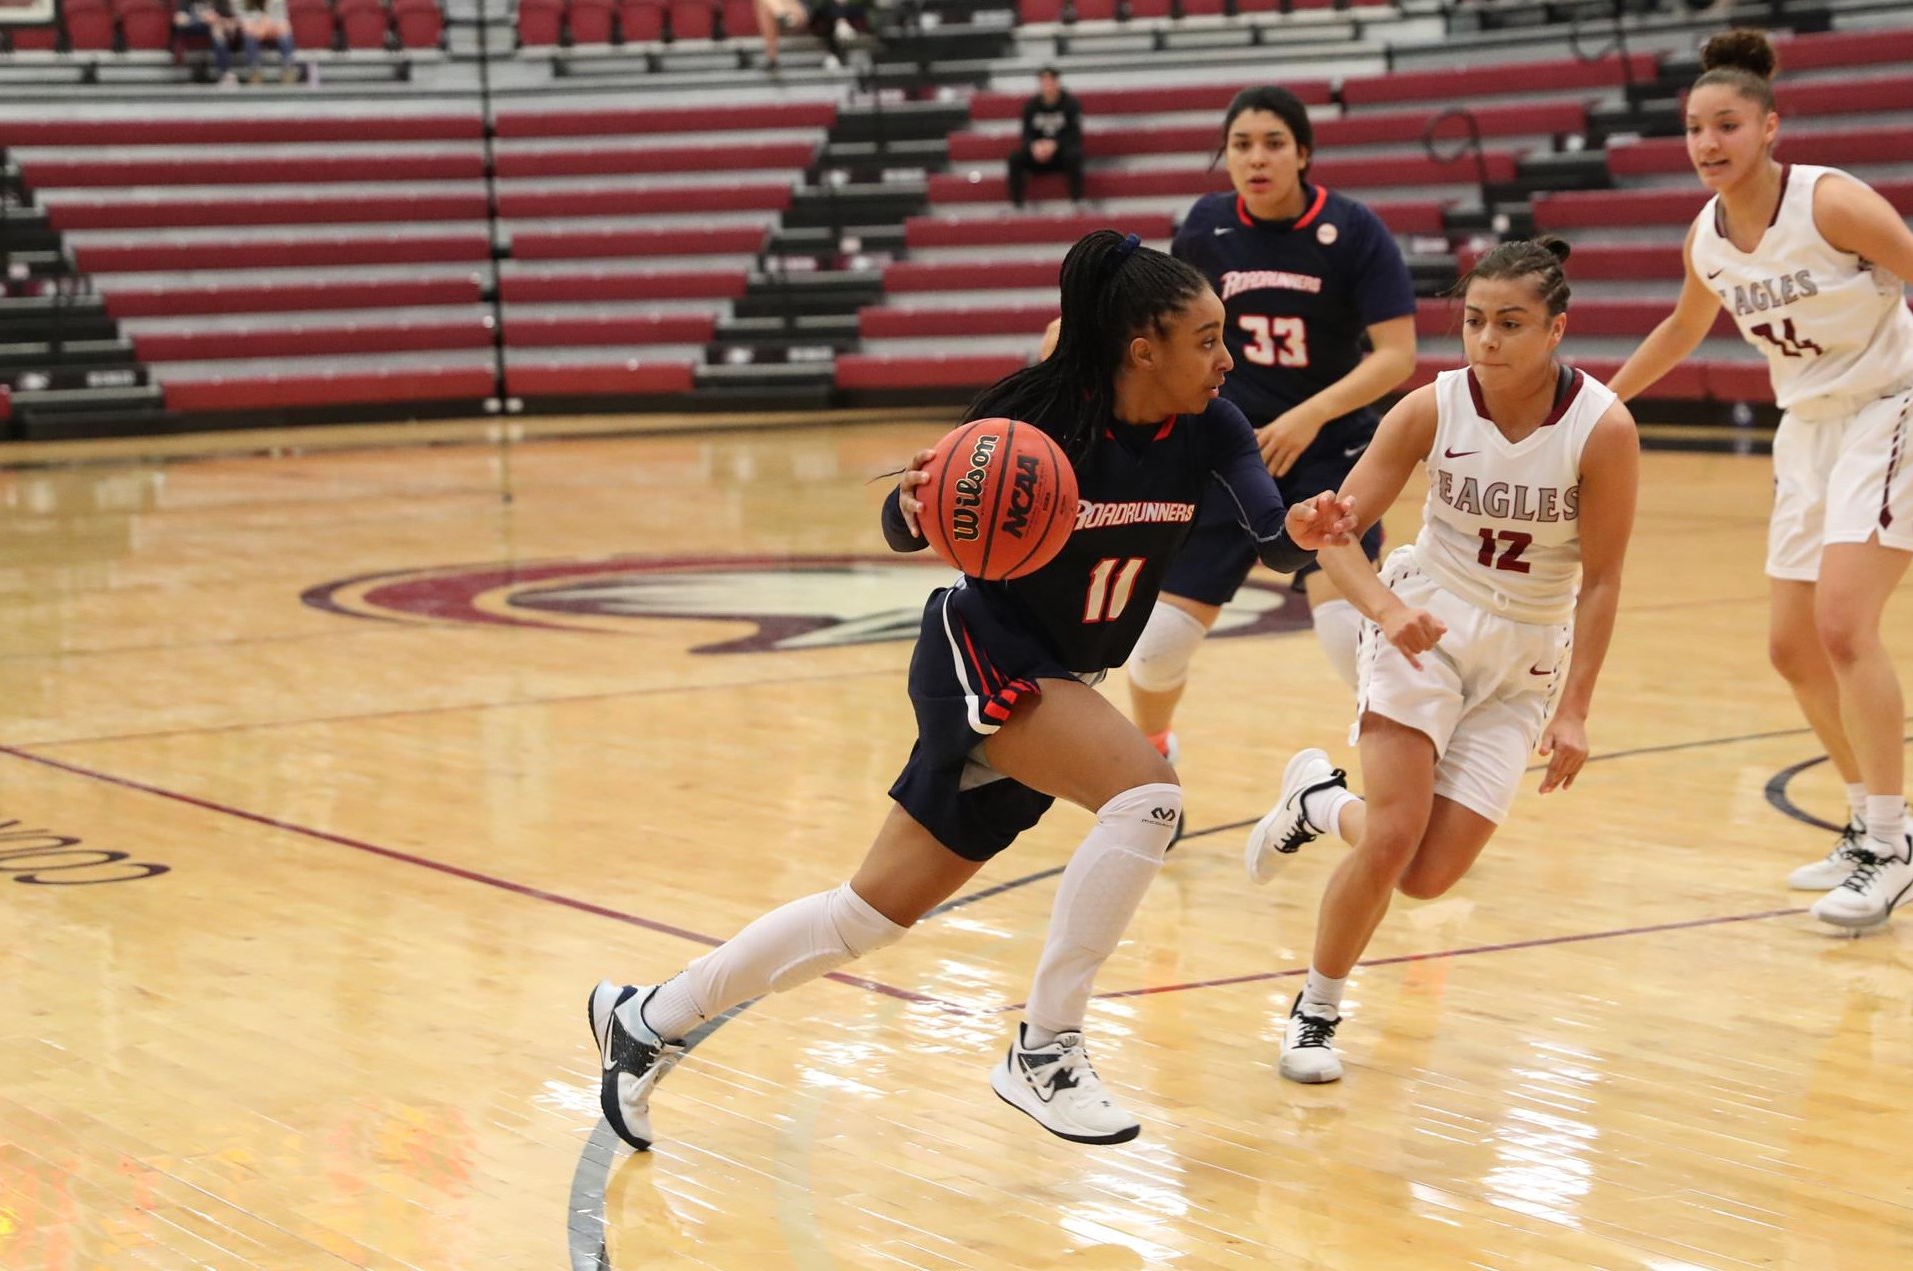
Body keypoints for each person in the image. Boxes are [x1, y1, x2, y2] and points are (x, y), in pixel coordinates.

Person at [589, 230, 1352, 1150]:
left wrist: (1304, 525)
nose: (1226, 358)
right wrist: (912, 506)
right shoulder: (1040, 418)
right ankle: (1045, 1048)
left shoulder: (1212, 426)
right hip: (983, 653)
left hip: (1061, 676)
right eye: (1206, 339)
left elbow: (1270, 537)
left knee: (866, 915)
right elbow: (907, 515)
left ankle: (646, 1017)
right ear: (1142, 348)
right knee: (1148, 796)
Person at [1604, 30, 1913, 930]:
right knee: (1791, 648)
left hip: (1895, 407)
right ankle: (1869, 820)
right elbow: (1682, 328)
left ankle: (1892, 851)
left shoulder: (1830, 203)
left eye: (1727, 124)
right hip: (1809, 430)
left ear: (1769, 127)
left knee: (1842, 626)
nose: (1707, 142)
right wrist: (1597, 404)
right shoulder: (1707, 238)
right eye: (1695, 128)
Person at [1242, 237, 1638, 1084]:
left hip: (1528, 650)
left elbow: (1603, 580)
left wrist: (1575, 708)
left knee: (1424, 876)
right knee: (1391, 837)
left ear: (1556, 329)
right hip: (1426, 616)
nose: (1485, 339)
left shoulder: (1602, 428)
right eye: (1473, 320)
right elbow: (1334, 536)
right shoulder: (1429, 409)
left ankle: (1316, 801)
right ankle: (1314, 1012)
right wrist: (1387, 610)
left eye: (1510, 323)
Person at [1123, 84, 1417, 771]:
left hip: (1329, 452)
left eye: (1273, 143)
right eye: (1241, 145)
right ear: (1225, 157)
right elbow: (1170, 334)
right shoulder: (1205, 227)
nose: (1256, 158)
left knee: (1346, 641)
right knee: (1157, 647)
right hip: (1230, 452)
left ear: (1303, 153)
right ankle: (1152, 755)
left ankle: (1408, 774)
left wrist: (1309, 414)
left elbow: (1397, 356)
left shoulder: (1351, 229)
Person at [1007, 68, 1085, 209]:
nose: (1047, 85)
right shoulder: (1030, 105)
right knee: (1015, 158)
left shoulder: (1071, 104)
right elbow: (1026, 134)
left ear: (1057, 82)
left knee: (1074, 155)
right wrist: (1034, 146)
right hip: (1037, 154)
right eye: (1044, 81)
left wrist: (1055, 145)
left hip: (1061, 154)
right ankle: (1017, 205)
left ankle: (1077, 201)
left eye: (1050, 81)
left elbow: (1074, 134)